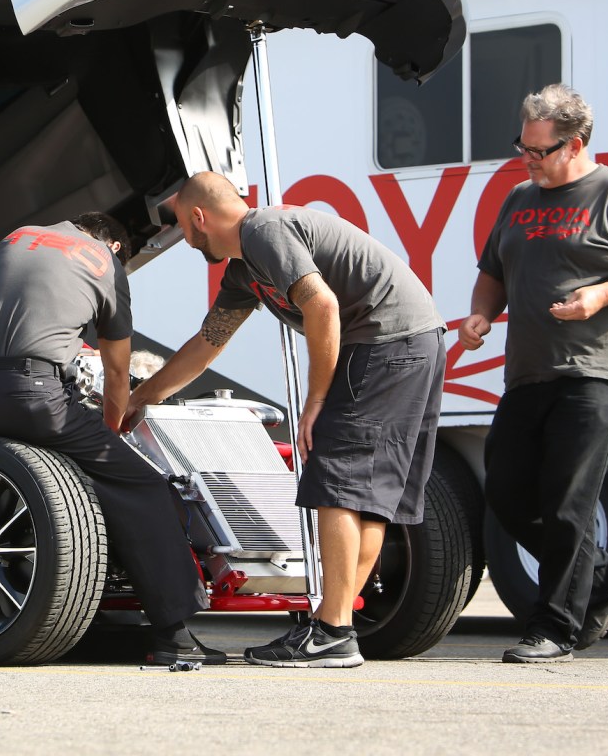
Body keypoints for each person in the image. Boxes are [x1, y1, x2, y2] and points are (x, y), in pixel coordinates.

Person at [126, 172, 445, 669]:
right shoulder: (242, 271)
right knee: (368, 497)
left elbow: (322, 304)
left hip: (386, 342)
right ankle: (330, 627)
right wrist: (142, 397)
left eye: (183, 231)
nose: (185, 242)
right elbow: (206, 345)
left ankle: (333, 632)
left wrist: (315, 401)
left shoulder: (265, 231)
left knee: (336, 480)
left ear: (198, 217)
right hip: (414, 342)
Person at [457, 84, 608, 663]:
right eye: (522, 146)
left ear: (574, 143)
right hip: (528, 373)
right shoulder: (518, 198)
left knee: (567, 503)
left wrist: (601, 296)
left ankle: (555, 626)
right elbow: (493, 269)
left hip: (596, 373)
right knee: (508, 495)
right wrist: (482, 312)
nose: (526, 159)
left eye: (538, 149)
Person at [0, 211, 220, 665]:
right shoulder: (102, 260)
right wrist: (109, 439)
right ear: (114, 246)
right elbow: (116, 374)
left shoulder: (15, 235)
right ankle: (174, 635)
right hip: (33, 395)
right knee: (140, 486)